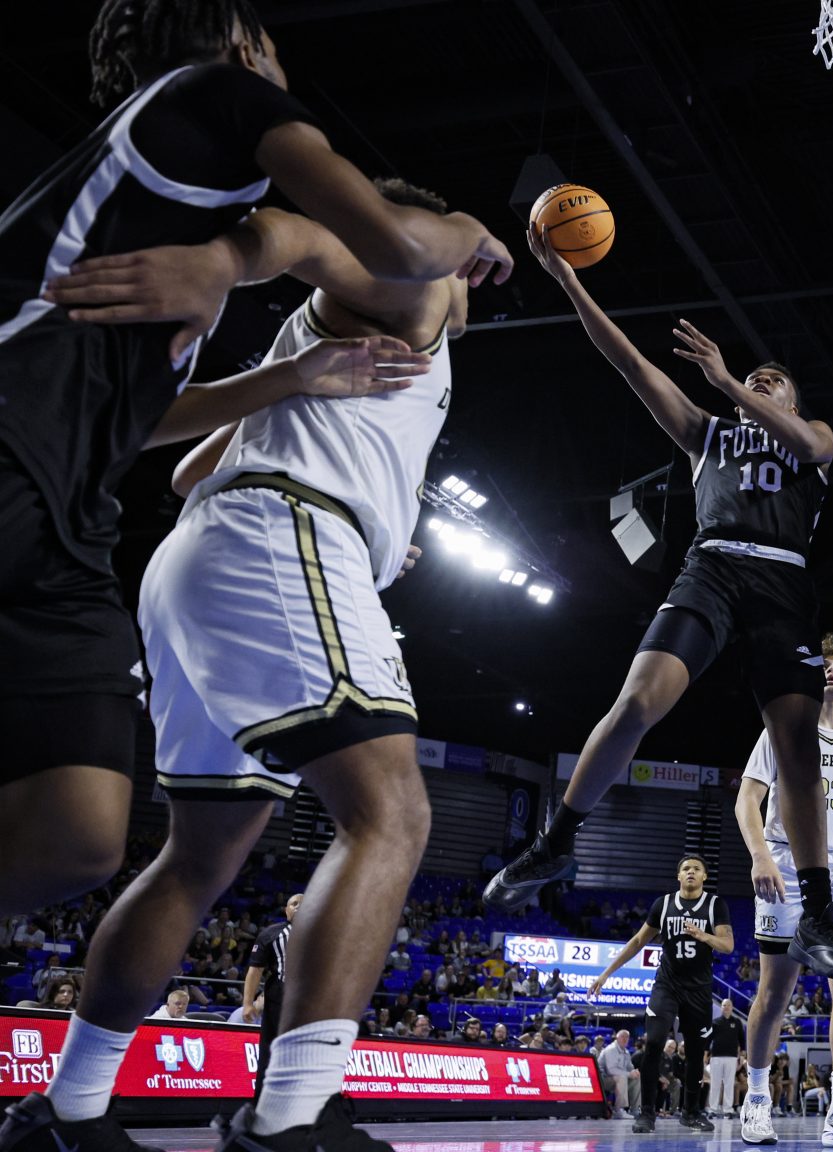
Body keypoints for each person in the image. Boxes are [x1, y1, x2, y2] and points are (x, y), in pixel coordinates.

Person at [0, 0, 511, 929]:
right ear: (244, 48)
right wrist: (471, 229)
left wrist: (288, 375)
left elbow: (160, 444)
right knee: (385, 812)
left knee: (80, 833)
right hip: (20, 446)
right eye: (275, 49)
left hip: (77, 513)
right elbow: (380, 241)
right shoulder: (216, 91)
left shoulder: (168, 215)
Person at [486, 228, 833, 983]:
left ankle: (819, 909)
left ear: (789, 399)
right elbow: (628, 360)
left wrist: (731, 380)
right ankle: (558, 840)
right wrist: (566, 279)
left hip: (783, 583)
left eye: (772, 381)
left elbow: (816, 449)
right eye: (755, 377)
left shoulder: (809, 437)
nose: (760, 382)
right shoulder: (705, 435)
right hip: (712, 568)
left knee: (795, 749)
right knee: (636, 702)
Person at [734, 636, 833, 1148]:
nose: (832, 671)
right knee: (775, 991)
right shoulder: (784, 726)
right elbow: (747, 800)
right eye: (826, 665)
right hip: (786, 867)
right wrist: (759, 855)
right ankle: (755, 1101)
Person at [586, 856, 733, 1133]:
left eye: (696, 869)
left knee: (695, 1051)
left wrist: (704, 937)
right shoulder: (663, 904)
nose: (691, 872)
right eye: (686, 869)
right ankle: (648, 1113)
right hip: (667, 984)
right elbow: (638, 940)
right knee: (653, 1042)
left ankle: (690, 1112)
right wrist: (605, 973)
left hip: (699, 989)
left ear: (704, 877)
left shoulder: (715, 905)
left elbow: (727, 945)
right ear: (678, 876)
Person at [243, 892, 302, 1097]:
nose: (298, 907)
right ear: (286, 910)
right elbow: (255, 970)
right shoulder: (271, 934)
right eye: (294, 904)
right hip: (280, 997)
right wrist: (248, 1003)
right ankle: (263, 1105)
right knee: (271, 1051)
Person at [706, 999, 746, 1118]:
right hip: (716, 1057)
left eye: (728, 1005)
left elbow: (742, 1040)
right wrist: (705, 1054)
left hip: (732, 1057)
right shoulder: (715, 1022)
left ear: (732, 1007)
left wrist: (742, 1055)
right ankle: (712, 1109)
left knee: (729, 1084)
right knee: (715, 1084)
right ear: (721, 1007)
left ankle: (728, 1109)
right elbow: (708, 1040)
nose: (726, 1007)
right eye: (724, 1005)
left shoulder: (737, 1022)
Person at [597, 1030, 640, 1119]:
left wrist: (635, 1072)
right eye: (622, 1037)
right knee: (622, 1077)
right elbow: (611, 1070)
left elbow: (630, 1067)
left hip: (616, 1079)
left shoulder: (626, 1052)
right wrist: (629, 1074)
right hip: (602, 1080)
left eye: (627, 1037)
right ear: (617, 1038)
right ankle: (619, 1109)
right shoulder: (611, 1049)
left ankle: (635, 1109)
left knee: (637, 1078)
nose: (625, 1039)